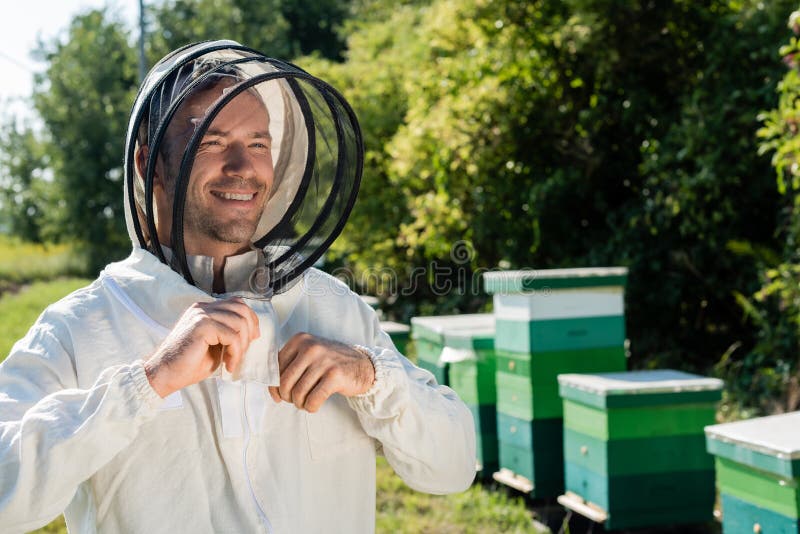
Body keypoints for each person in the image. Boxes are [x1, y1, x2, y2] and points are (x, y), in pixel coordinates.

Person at [0, 41, 476, 533]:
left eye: (258, 143)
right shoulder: (78, 328)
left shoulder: (335, 309)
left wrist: (373, 376)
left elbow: (454, 468)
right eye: (210, 140)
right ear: (149, 165)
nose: (242, 167)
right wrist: (149, 381)